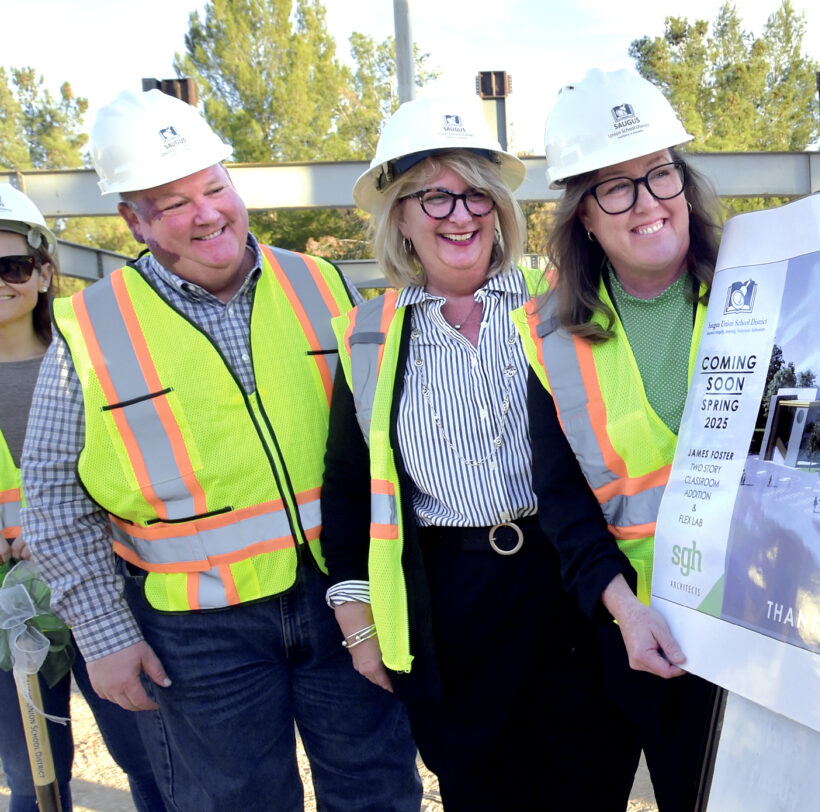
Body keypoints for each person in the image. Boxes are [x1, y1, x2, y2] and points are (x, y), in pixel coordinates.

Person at [20, 89, 421, 811]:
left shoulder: (320, 282)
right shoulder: (89, 329)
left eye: (214, 187)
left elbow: (382, 436)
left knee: (377, 790)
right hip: (199, 634)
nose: (206, 212)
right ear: (131, 220)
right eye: (172, 203)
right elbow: (52, 500)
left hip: (342, 600)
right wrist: (105, 635)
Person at [322, 95, 625, 811]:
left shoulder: (564, 306)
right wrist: (361, 629)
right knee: (479, 790)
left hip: (569, 586)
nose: (460, 216)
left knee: (589, 785)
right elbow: (344, 494)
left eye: (476, 197)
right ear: (399, 214)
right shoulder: (369, 335)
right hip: (451, 606)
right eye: (435, 197)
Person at [512, 68, 725, 812]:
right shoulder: (549, 338)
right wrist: (626, 613)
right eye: (616, 187)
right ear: (585, 217)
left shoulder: (764, 282)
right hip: (652, 628)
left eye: (659, 174)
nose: (647, 203)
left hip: (776, 618)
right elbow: (565, 506)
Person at [0, 187, 166, 812]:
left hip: (103, 594)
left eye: (11, 267)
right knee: (36, 779)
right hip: (6, 615)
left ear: (45, 271)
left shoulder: (94, 361)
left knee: (153, 763)